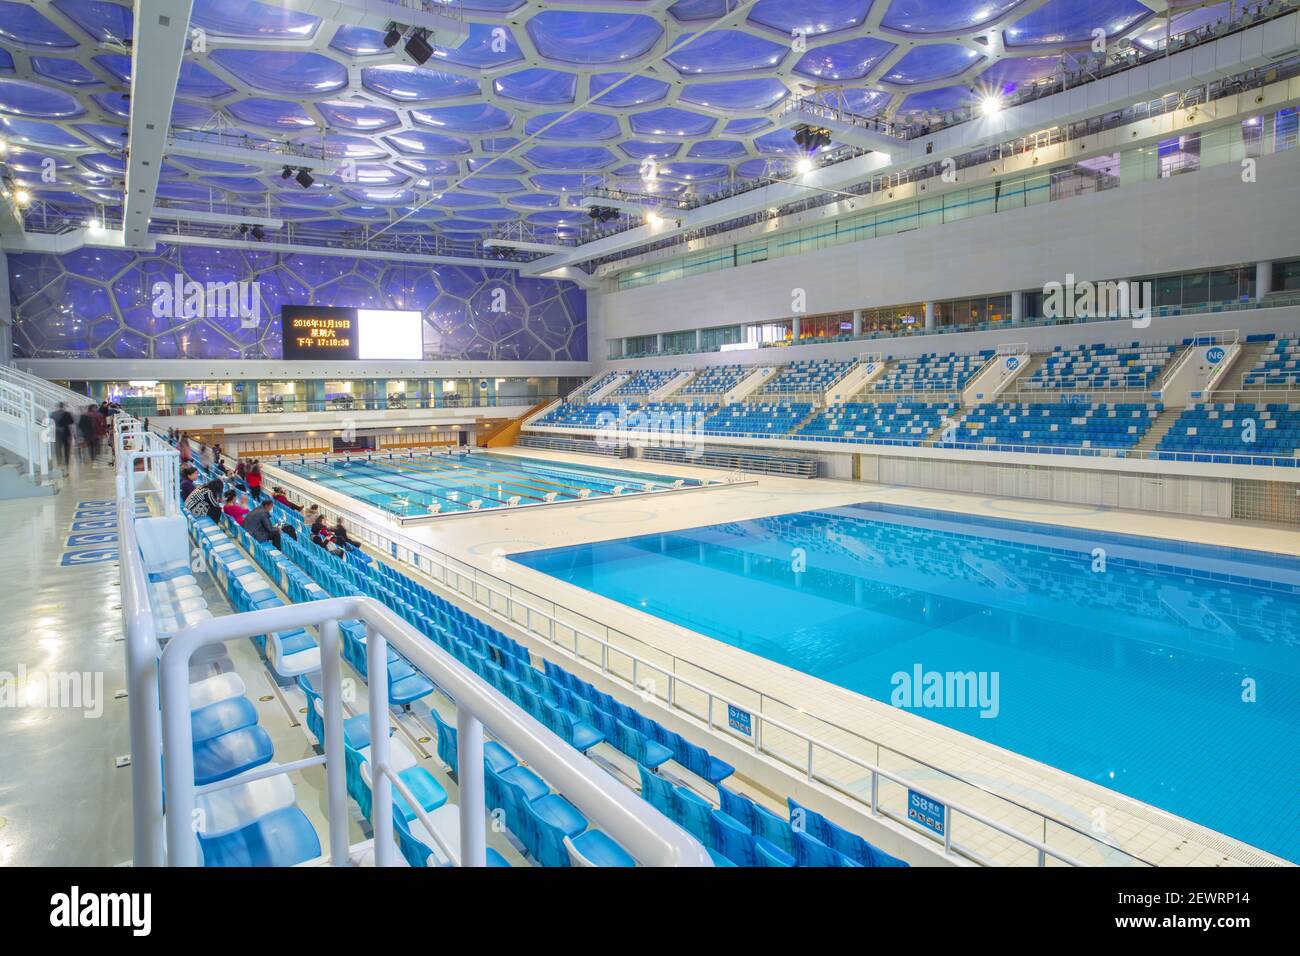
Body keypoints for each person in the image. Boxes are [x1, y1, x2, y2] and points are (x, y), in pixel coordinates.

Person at [51, 403, 74, 469]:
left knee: (58, 447)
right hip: (66, 432)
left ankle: (59, 461)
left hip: (57, 432)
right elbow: (71, 422)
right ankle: (66, 461)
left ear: (58, 406)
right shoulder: (68, 413)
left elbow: (51, 422)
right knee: (67, 447)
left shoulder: (53, 414)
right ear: (64, 406)